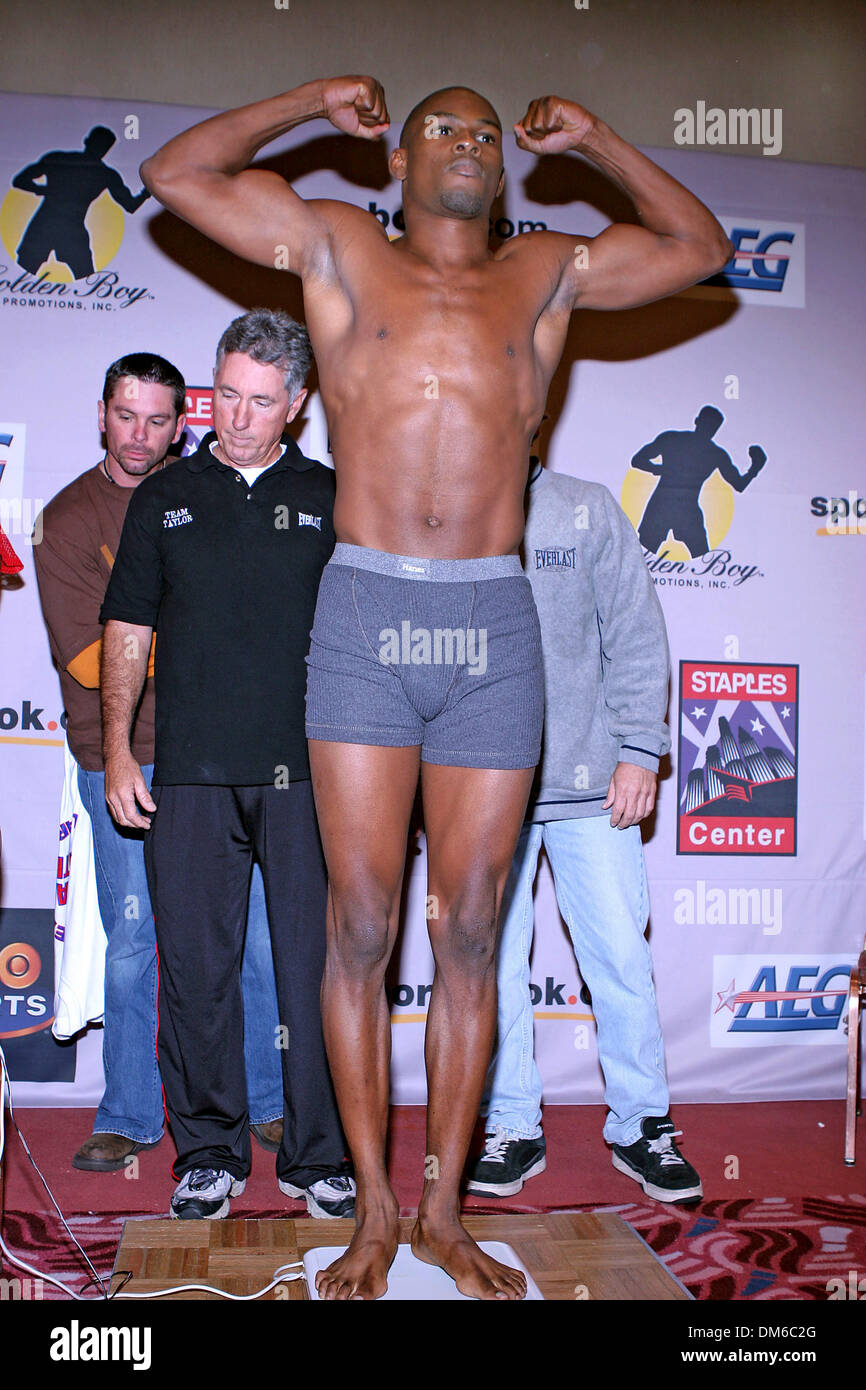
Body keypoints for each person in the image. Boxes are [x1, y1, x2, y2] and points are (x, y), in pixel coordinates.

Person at [139, 76, 731, 1297]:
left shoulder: (550, 269)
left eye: (479, 132)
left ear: (500, 167)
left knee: (468, 935)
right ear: (398, 159)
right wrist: (309, 101)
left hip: (488, 623)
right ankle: (367, 1216)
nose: (463, 143)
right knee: (355, 930)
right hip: (363, 609)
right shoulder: (338, 243)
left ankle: (444, 1210)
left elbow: (698, 247)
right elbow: (176, 177)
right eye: (438, 129)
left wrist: (606, 137)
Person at [99, 310, 352, 1221]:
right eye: (225, 395)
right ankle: (207, 1151)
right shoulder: (163, 497)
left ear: (297, 403)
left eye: (260, 401)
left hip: (311, 779)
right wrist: (123, 745)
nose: (236, 417)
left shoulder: (333, 497)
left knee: (315, 972)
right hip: (192, 775)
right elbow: (127, 627)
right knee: (196, 970)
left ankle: (320, 1156)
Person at [33, 353, 284, 1172]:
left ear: (184, 422)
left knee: (254, 942)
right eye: (125, 415)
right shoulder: (69, 519)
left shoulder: (211, 496)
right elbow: (87, 661)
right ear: (100, 412)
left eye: (158, 419)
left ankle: (271, 1103)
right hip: (127, 760)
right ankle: (131, 1112)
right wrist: (208, 649)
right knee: (135, 943)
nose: (140, 436)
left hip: (222, 756)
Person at [468, 458, 702, 1204]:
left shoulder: (586, 507)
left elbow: (634, 633)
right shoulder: (447, 505)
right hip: (480, 787)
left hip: (590, 785)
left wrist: (640, 750)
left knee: (620, 961)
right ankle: (511, 1122)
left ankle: (642, 1123)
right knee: (492, 968)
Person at [13, 127, 149, 279]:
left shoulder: (63, 160)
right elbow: (19, 180)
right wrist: (148, 191)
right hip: (52, 228)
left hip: (60, 229)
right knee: (23, 272)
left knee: (85, 277)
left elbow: (130, 206)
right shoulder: (102, 173)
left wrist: (149, 190)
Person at [632, 405, 767, 557]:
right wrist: (661, 469)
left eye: (713, 427)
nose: (710, 429)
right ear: (697, 421)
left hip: (684, 511)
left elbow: (739, 485)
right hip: (663, 508)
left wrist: (755, 467)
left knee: (701, 556)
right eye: (708, 424)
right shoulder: (673, 439)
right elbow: (637, 460)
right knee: (642, 556)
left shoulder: (715, 453)